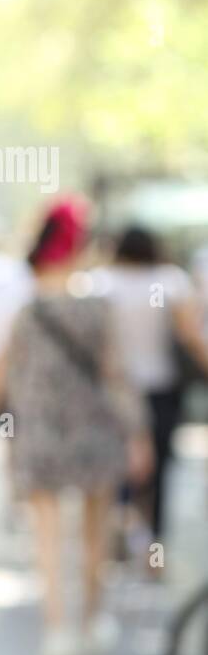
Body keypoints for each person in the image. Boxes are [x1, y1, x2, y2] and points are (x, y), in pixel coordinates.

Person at [0, 198, 153, 655]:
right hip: (96, 429)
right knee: (96, 532)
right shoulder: (99, 306)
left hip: (39, 431)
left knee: (48, 536)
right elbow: (118, 376)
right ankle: (93, 620)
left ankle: (57, 633)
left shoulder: (23, 305)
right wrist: (138, 434)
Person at [92, 226, 208, 560]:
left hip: (115, 389)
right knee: (158, 470)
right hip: (160, 387)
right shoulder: (170, 280)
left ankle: (122, 523)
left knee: (116, 464)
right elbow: (191, 335)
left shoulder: (100, 282)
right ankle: (154, 548)